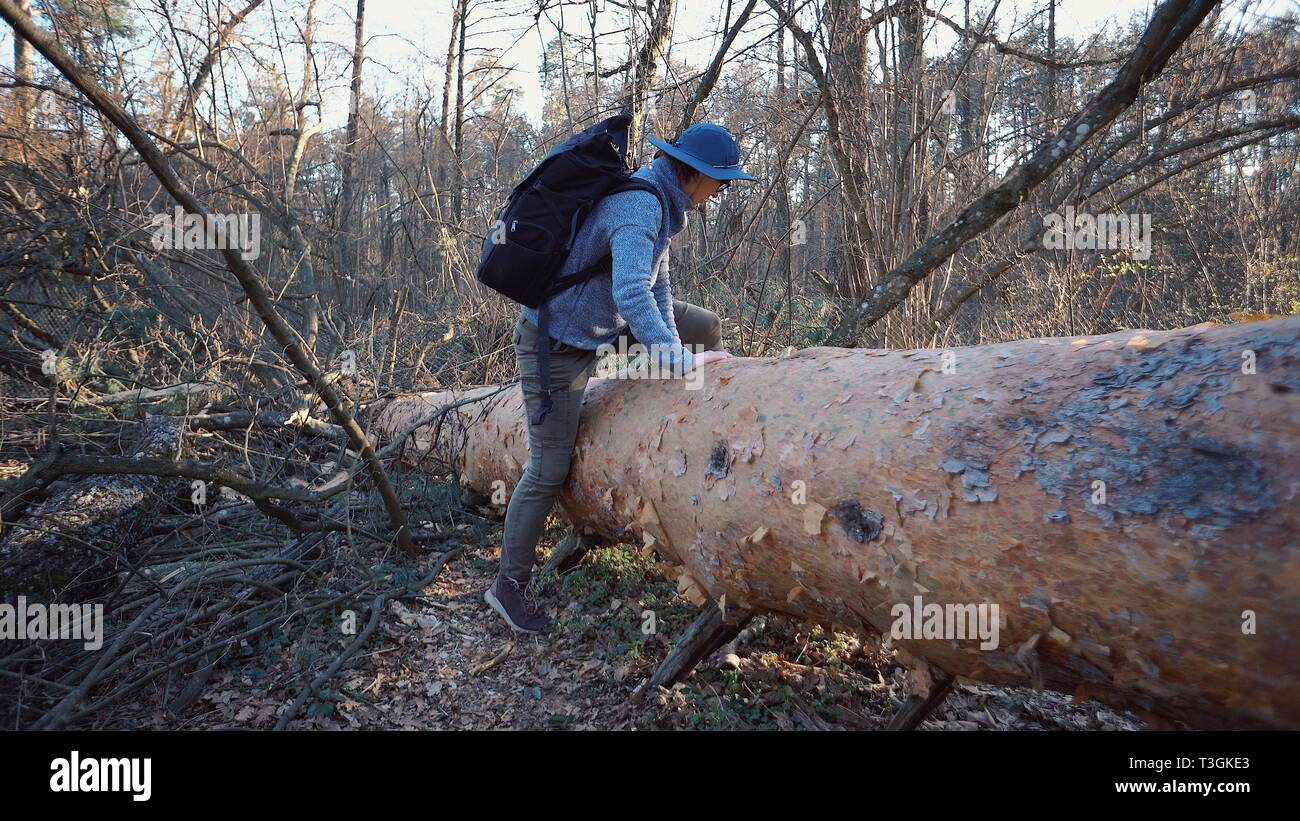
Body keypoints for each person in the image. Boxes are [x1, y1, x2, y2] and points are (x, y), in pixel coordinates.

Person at [485, 122, 755, 634]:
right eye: (720, 182)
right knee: (547, 468)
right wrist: (676, 360)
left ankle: (697, 427)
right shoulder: (642, 206)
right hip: (557, 344)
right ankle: (508, 585)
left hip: (601, 327)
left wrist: (679, 358)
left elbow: (658, 287)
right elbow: (632, 292)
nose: (720, 192)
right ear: (696, 175)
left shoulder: (663, 201)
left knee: (702, 326)